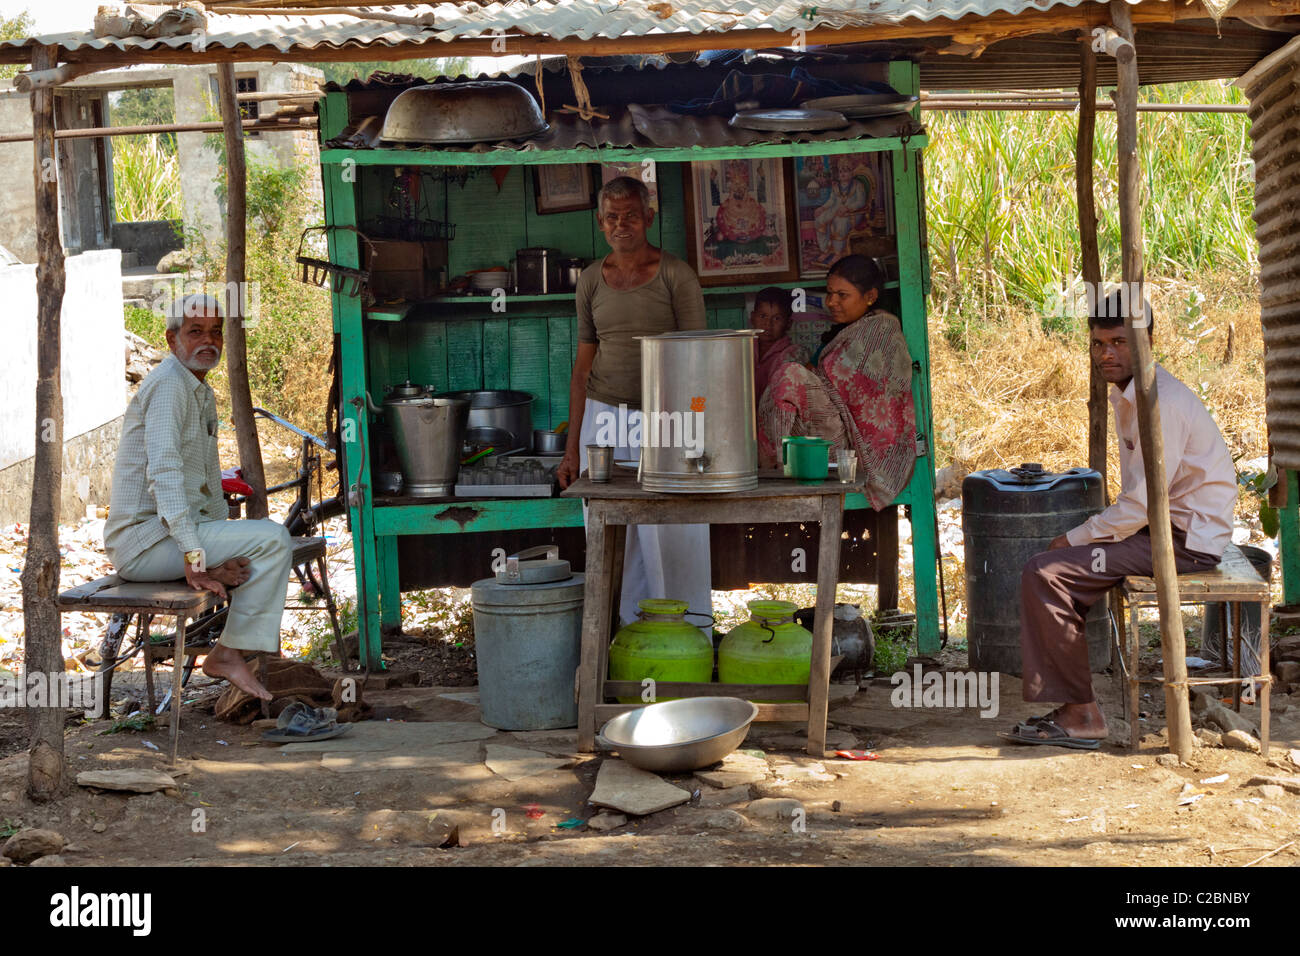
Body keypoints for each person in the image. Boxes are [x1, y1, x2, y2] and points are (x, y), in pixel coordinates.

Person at [1003, 289, 1237, 749]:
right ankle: (1076, 703)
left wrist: (1070, 539)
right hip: (1162, 527)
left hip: (1184, 539)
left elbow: (1141, 503)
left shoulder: (1160, 403)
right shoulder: (1134, 392)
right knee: (1054, 570)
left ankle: (1082, 716)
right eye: (1098, 344)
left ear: (1148, 340)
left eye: (1119, 343)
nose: (1106, 354)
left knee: (1045, 573)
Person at [104, 293, 292, 702]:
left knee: (254, 553)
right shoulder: (169, 387)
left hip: (166, 539)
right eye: (195, 332)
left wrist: (214, 553)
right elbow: (166, 476)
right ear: (172, 340)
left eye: (215, 332)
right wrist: (195, 556)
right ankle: (227, 653)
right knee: (273, 540)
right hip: (143, 544)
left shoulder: (198, 390)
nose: (209, 341)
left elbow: (205, 485)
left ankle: (238, 652)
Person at [555, 176, 712, 625]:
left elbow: (696, 361)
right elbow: (582, 368)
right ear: (601, 223)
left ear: (649, 217)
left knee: (674, 529)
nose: (622, 224)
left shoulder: (675, 276)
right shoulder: (590, 281)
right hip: (605, 420)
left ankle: (688, 634)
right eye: (612, 217)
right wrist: (571, 452)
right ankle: (625, 638)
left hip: (668, 418)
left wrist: (697, 438)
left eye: (631, 215)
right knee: (612, 531)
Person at [757, 255, 916, 510]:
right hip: (829, 434)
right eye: (830, 293)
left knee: (789, 376)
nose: (831, 302)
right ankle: (777, 466)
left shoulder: (879, 330)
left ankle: (777, 465)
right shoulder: (845, 331)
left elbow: (855, 389)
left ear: (870, 296)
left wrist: (803, 377)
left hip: (851, 451)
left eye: (842, 295)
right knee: (788, 375)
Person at [749, 287, 806, 402]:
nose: (768, 324)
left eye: (776, 318)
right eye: (763, 316)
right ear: (752, 318)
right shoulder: (743, 349)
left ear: (788, 323)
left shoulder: (793, 355)